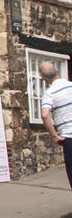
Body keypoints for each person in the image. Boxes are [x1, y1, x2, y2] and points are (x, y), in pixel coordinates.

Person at [39, 61, 72, 195]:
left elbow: (45, 114)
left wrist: (55, 135)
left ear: (42, 77)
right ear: (57, 70)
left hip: (69, 137)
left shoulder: (50, 93)